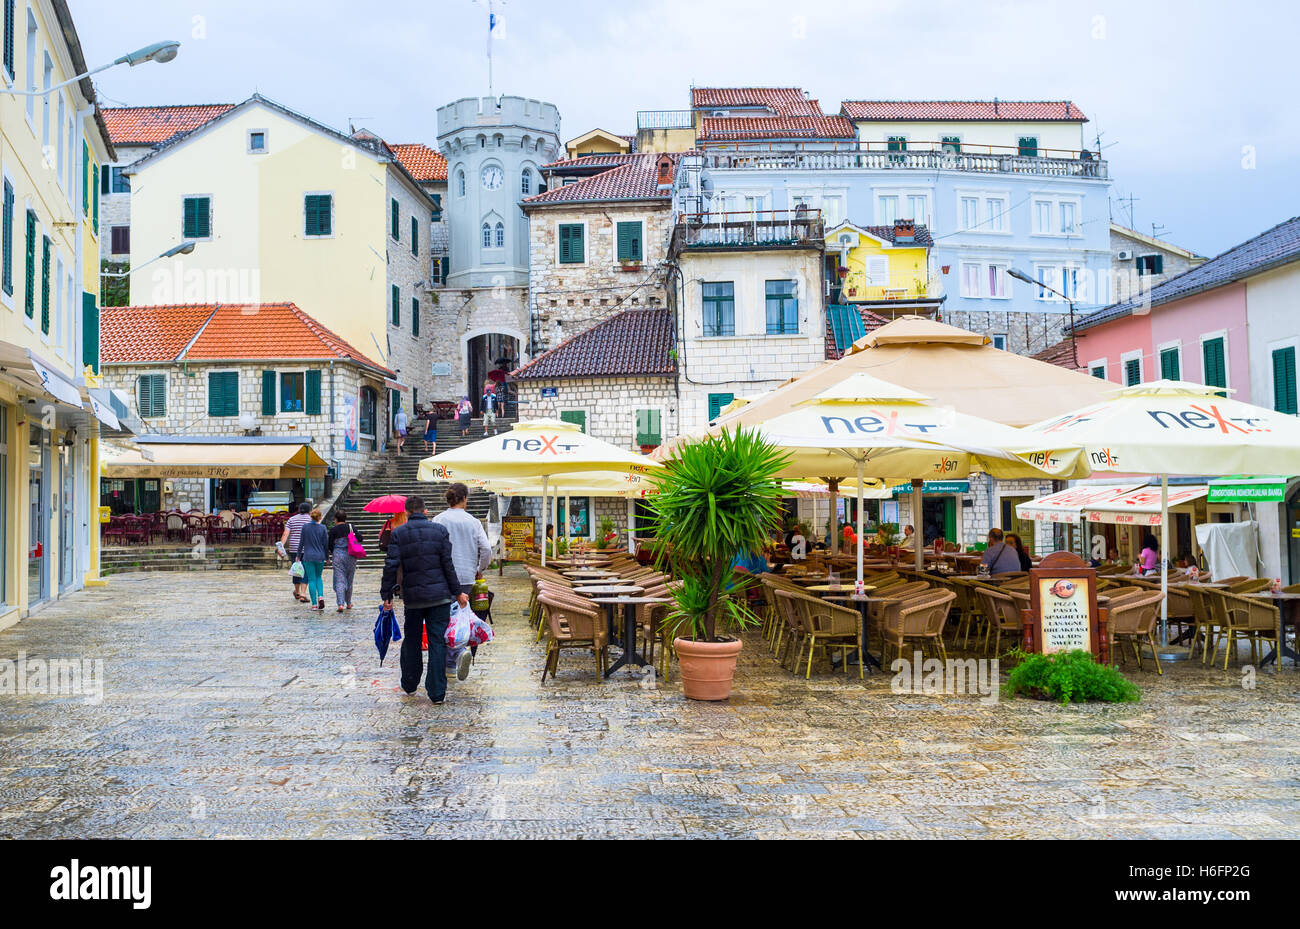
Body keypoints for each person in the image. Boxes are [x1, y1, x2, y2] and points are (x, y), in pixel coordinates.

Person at [381, 496, 466, 706]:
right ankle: (437, 692)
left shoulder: (399, 533)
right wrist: (457, 592)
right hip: (440, 597)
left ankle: (410, 682)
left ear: (407, 513)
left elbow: (391, 565)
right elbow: (448, 565)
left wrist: (387, 595)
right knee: (437, 641)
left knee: (412, 639)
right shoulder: (439, 531)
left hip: (413, 598)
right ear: (425, 511)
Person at [434, 483, 493, 680]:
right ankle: (455, 658)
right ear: (464, 498)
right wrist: (479, 569)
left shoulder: (438, 519)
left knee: (445, 619)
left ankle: (453, 660)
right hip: (467, 577)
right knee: (460, 618)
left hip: (443, 577)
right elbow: (486, 550)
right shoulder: (473, 522)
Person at [328, 510, 362, 612]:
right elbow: (360, 538)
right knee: (349, 579)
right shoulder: (351, 527)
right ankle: (349, 603)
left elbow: (329, 545)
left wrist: (333, 552)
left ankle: (340, 604)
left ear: (336, 519)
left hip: (338, 556)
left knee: (340, 580)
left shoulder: (333, 530)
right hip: (351, 555)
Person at [296, 508, 330, 611]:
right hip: (320, 556)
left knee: (311, 579)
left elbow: (301, 542)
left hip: (308, 556)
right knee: (319, 577)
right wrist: (327, 557)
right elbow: (325, 544)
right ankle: (321, 596)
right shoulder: (323, 528)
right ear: (319, 517)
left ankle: (314, 604)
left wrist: (298, 555)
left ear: (311, 516)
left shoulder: (305, 527)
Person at [281, 502, 313, 602]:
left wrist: (281, 547)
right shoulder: (311, 520)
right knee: (306, 571)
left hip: (294, 548)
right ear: (309, 510)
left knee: (296, 569)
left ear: (299, 509)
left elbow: (285, 534)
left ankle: (297, 592)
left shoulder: (291, 519)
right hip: (307, 548)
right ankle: (303, 594)